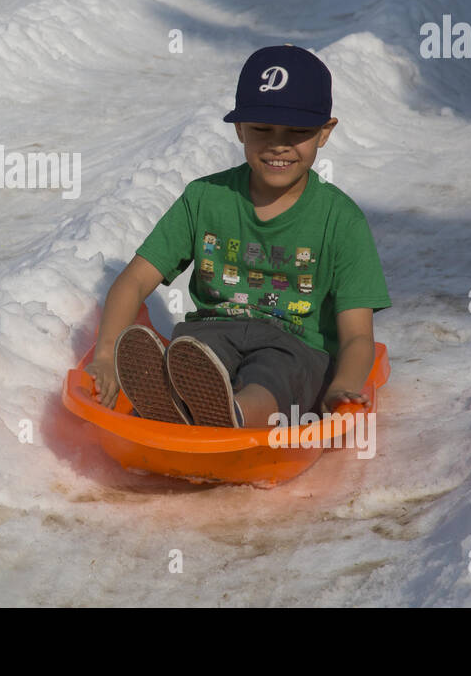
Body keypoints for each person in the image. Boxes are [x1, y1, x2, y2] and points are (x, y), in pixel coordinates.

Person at [86, 45, 391, 428]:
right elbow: (132, 281)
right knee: (192, 353)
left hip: (296, 347)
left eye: (297, 131)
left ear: (324, 132)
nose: (278, 144)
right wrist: (105, 352)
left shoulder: (341, 220)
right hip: (210, 338)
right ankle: (176, 400)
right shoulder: (205, 199)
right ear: (239, 129)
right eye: (262, 129)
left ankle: (235, 415)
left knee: (274, 373)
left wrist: (342, 385)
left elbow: (357, 336)